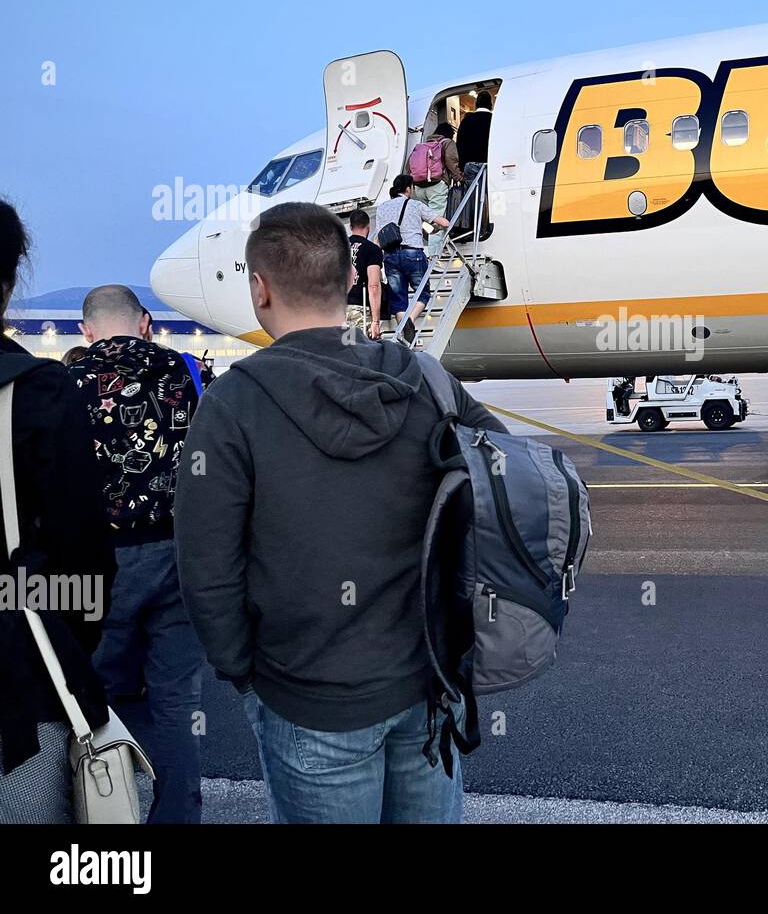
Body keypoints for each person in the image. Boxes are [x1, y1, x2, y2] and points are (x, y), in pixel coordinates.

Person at [174, 202, 504, 824]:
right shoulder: (424, 378)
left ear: (259, 288)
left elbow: (205, 565)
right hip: (429, 685)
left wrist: (244, 671)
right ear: (351, 279)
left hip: (308, 695)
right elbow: (503, 478)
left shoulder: (233, 402)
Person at [66, 284, 211, 825]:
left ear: (87, 330)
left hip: (105, 565)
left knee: (99, 696)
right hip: (181, 556)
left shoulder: (68, 384)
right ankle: (178, 814)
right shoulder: (189, 372)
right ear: (145, 322)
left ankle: (109, 813)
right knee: (176, 702)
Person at [0, 201, 117, 824]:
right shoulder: (39, 391)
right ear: (11, 279)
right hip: (19, 668)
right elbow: (85, 554)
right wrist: (69, 639)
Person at [374, 175, 447, 341]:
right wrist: (443, 225)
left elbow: (379, 236)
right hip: (413, 254)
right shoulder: (415, 205)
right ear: (408, 189)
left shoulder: (382, 208)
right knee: (423, 292)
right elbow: (443, 223)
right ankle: (410, 319)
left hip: (390, 255)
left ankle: (404, 336)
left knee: (398, 298)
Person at [345, 209, 384, 340]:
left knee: (344, 353)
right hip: (360, 309)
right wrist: (375, 322)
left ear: (351, 227)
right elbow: (374, 286)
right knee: (366, 352)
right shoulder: (372, 249)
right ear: (369, 226)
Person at [455, 92, 492, 166]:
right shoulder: (495, 119)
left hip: (470, 165)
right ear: (491, 105)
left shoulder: (466, 120)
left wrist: (461, 166)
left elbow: (460, 145)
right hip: (491, 163)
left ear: (476, 104)